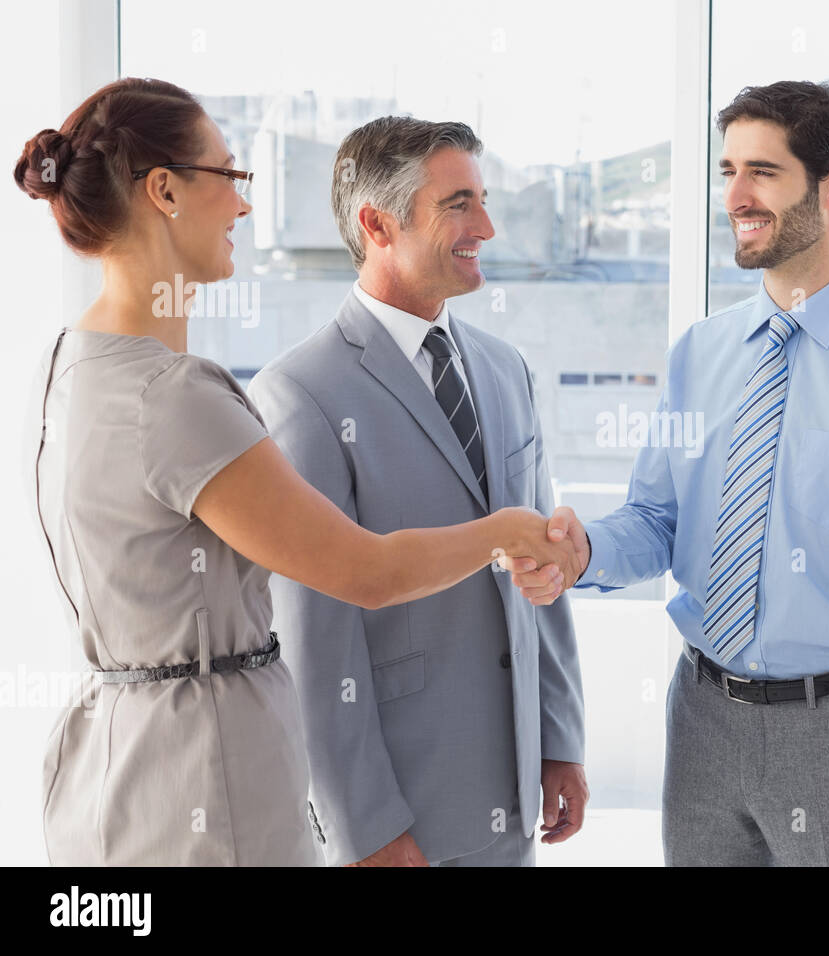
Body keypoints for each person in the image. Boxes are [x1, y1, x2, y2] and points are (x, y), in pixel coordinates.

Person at [16, 77, 577, 866]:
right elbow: (361, 576)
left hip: (123, 770)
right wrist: (506, 532)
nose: (244, 206)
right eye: (229, 177)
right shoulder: (178, 396)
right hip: (202, 787)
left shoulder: (68, 368)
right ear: (164, 191)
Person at [508, 80, 829, 867]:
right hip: (701, 722)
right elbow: (657, 520)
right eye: (727, 170)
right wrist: (583, 551)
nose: (735, 195)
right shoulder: (702, 352)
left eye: (762, 171)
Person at [247, 116, 587, 868]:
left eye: (484, 199)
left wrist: (559, 738)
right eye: (458, 204)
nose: (487, 226)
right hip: (405, 815)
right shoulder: (301, 394)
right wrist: (364, 827)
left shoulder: (506, 370)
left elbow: (544, 568)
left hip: (513, 793)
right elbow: (313, 638)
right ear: (378, 224)